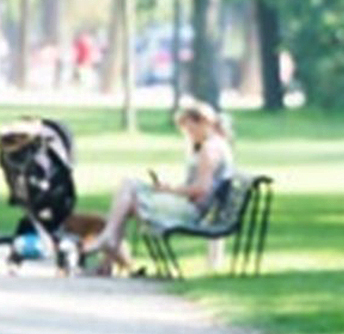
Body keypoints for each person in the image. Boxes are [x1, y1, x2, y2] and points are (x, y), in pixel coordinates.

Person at [84, 98, 233, 275]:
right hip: (191, 207)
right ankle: (108, 251)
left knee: (129, 189)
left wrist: (170, 190)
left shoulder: (209, 150)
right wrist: (169, 189)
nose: (188, 134)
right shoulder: (213, 145)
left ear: (203, 123)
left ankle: (109, 244)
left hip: (192, 212)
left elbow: (202, 188)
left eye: (190, 129)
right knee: (127, 193)